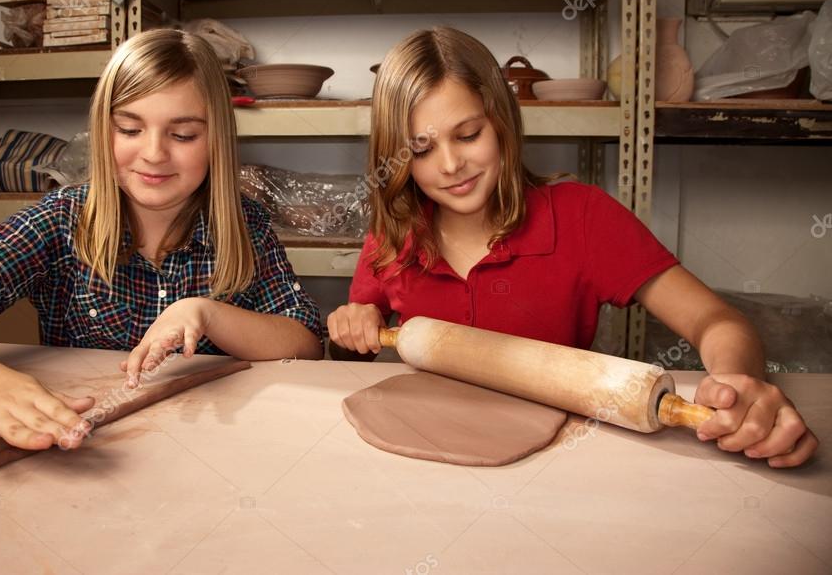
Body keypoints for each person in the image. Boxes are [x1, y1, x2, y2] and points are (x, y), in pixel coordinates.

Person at [327, 26, 817, 468]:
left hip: (557, 466)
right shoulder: (394, 236)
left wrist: (738, 388)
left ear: (500, 121)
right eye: (422, 148)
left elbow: (717, 321)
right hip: (420, 460)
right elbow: (354, 353)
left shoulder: (581, 217)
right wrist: (351, 328)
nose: (451, 163)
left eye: (469, 134)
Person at [0, 28, 323, 453]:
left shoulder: (247, 225)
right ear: (103, 131)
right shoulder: (63, 220)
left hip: (214, 446)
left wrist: (206, 314)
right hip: (93, 441)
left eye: (183, 134)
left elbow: (304, 343)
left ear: (216, 141)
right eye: (130, 130)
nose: (153, 153)